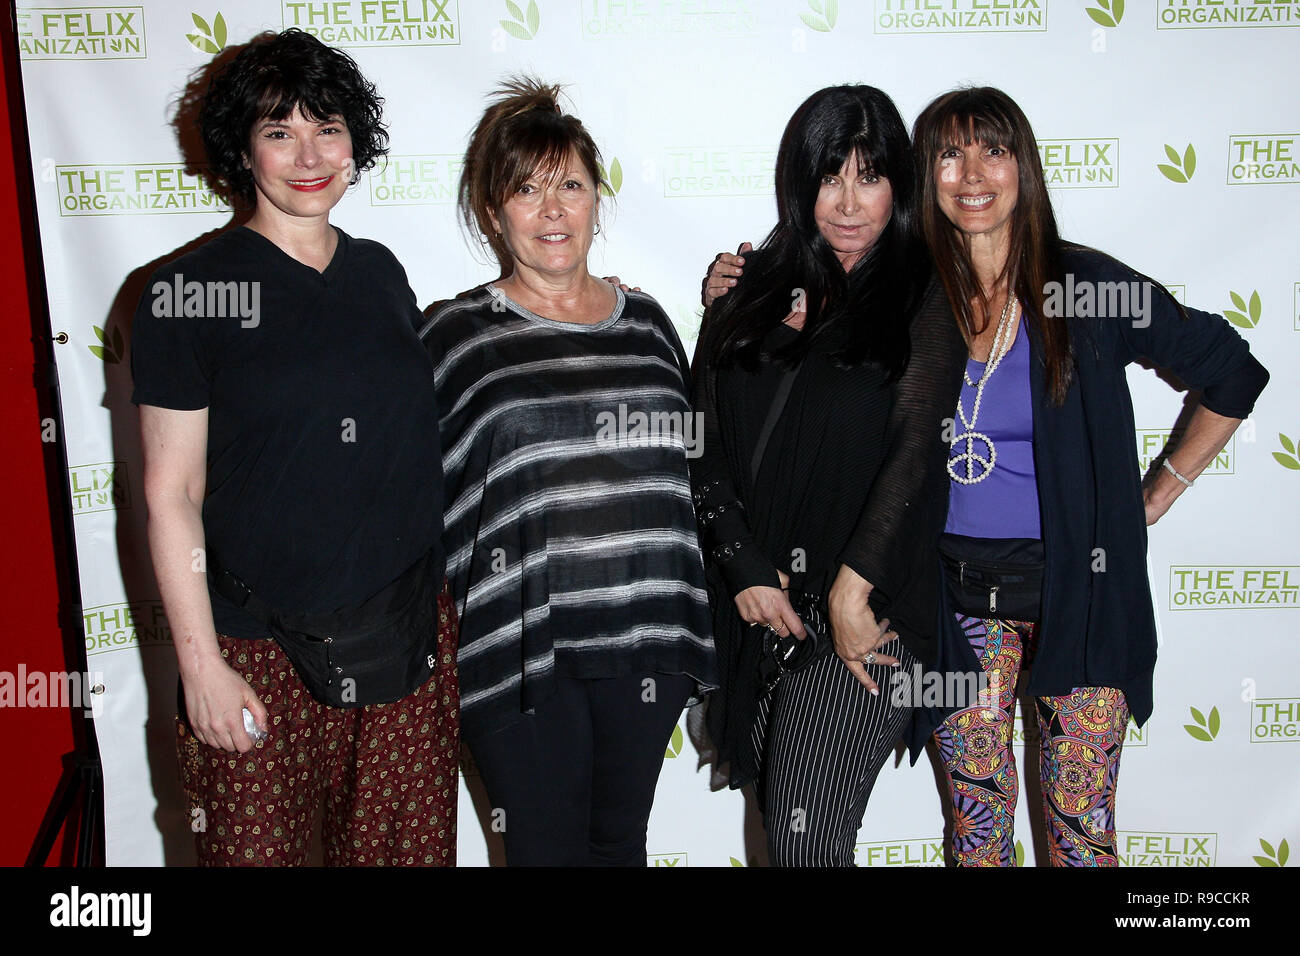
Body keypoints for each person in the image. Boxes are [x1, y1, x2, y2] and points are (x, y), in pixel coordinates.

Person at [709, 86, 1270, 866]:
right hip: (957, 604)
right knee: (978, 834)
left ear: (1023, 168)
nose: (972, 173)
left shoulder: (1086, 287)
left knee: (1080, 831)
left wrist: (1161, 487)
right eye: (948, 153)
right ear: (924, 175)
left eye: (994, 150)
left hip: (1083, 595)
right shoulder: (907, 289)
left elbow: (1234, 371)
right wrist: (739, 289)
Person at [132, 29, 458, 866]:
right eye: (280, 132)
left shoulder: (383, 272)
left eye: (329, 127)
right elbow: (171, 493)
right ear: (243, 151)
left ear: (357, 139)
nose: (309, 155)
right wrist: (201, 668)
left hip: (402, 642)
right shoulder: (185, 294)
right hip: (255, 648)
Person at [422, 77, 716, 866]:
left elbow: (692, 464)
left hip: (649, 630)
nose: (553, 211)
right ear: (492, 213)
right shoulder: (453, 337)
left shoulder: (649, 320)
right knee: (545, 853)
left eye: (572, 187)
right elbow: (408, 491)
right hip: (519, 645)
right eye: (526, 190)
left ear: (597, 201)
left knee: (620, 846)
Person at [693, 85, 965, 866]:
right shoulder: (747, 289)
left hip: (866, 617)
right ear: (798, 180)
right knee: (788, 842)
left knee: (806, 843)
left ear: (899, 186)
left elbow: (917, 451)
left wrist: (850, 595)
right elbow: (699, 443)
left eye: (870, 176)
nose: (848, 202)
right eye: (829, 176)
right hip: (759, 612)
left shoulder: (924, 294)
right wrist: (744, 566)